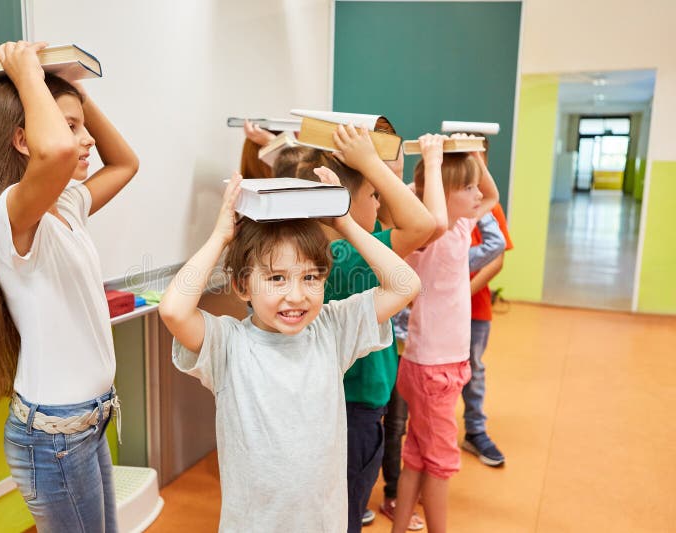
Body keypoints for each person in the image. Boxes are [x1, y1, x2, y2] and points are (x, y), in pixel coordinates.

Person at [158, 170, 420, 532]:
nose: (296, 295)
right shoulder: (229, 344)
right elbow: (173, 310)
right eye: (277, 278)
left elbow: (406, 284)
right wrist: (220, 238)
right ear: (242, 285)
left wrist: (345, 224)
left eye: (310, 278)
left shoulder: (332, 329)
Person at [0, 41, 138, 531]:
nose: (86, 141)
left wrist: (76, 93)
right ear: (22, 141)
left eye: (81, 127)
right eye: (71, 127)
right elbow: (55, 150)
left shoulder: (67, 205)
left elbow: (125, 163)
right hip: (54, 438)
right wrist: (26, 73)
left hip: (85, 424)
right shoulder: (10, 215)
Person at [296, 123, 435, 533]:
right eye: (374, 194)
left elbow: (401, 218)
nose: (380, 203)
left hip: (348, 404)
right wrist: (370, 164)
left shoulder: (327, 250)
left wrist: (373, 166)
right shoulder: (345, 254)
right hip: (354, 409)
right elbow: (422, 225)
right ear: (342, 203)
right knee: (345, 512)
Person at [391, 135, 499, 533]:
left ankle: (399, 528)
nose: (476, 194)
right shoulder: (429, 237)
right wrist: (433, 164)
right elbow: (433, 215)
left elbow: (492, 193)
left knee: (418, 457)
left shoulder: (458, 228)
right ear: (441, 194)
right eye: (466, 187)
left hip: (439, 365)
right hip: (432, 369)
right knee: (440, 465)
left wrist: (470, 155)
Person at [462, 201, 512, 466]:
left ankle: (475, 430)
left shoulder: (490, 207)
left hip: (474, 309)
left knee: (474, 369)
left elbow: (497, 258)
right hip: (436, 312)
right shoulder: (435, 201)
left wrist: (460, 295)